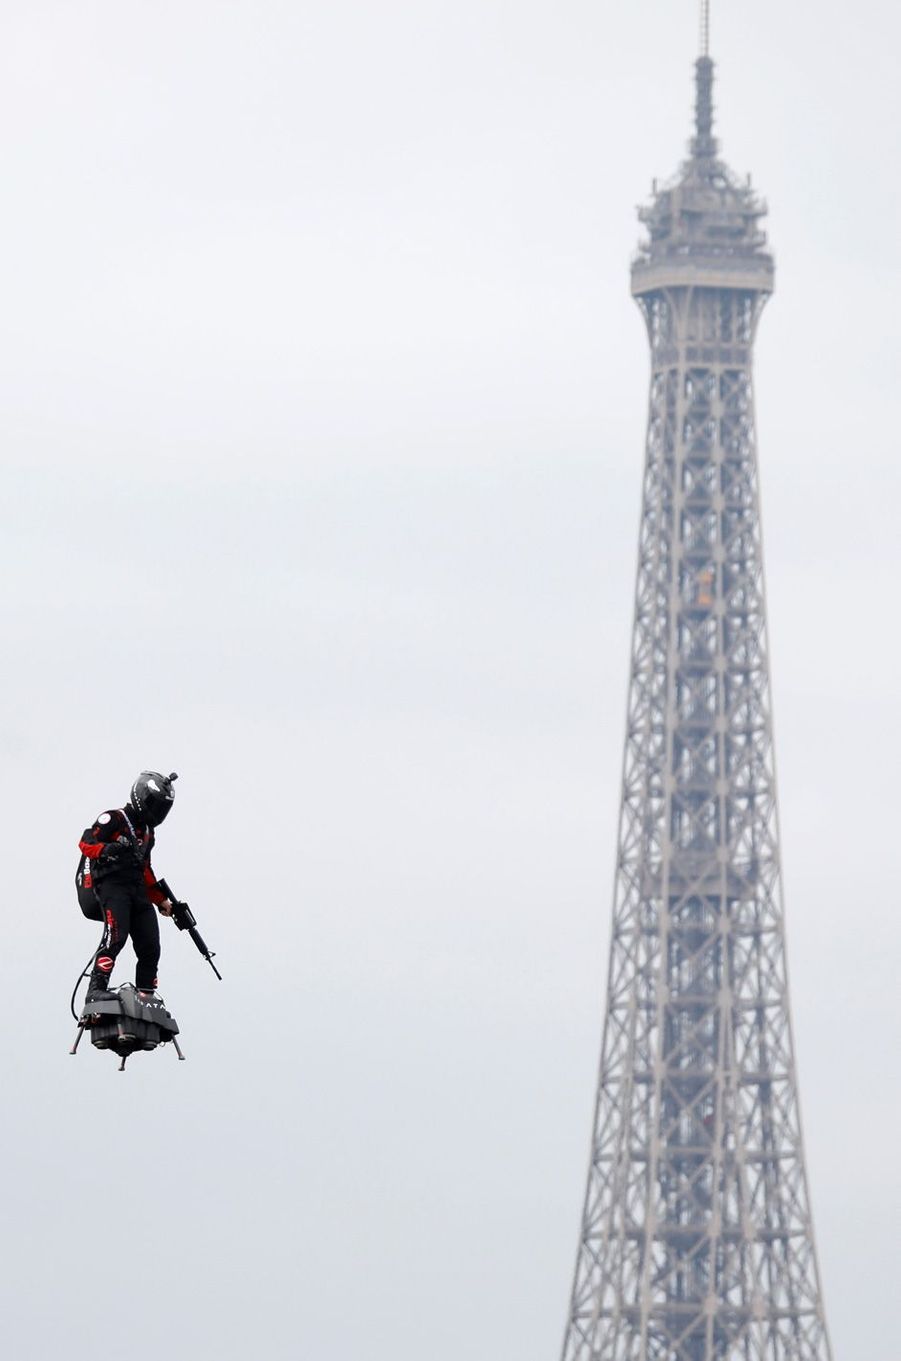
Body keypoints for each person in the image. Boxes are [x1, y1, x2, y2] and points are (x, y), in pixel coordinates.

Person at [78, 772, 178, 1002]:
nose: (158, 812)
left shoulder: (148, 833)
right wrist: (106, 850)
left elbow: (145, 869)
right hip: (112, 887)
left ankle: (146, 994)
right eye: (155, 805)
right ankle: (95, 990)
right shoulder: (114, 818)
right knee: (116, 936)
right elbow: (86, 842)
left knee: (150, 943)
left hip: (137, 890)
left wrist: (162, 900)